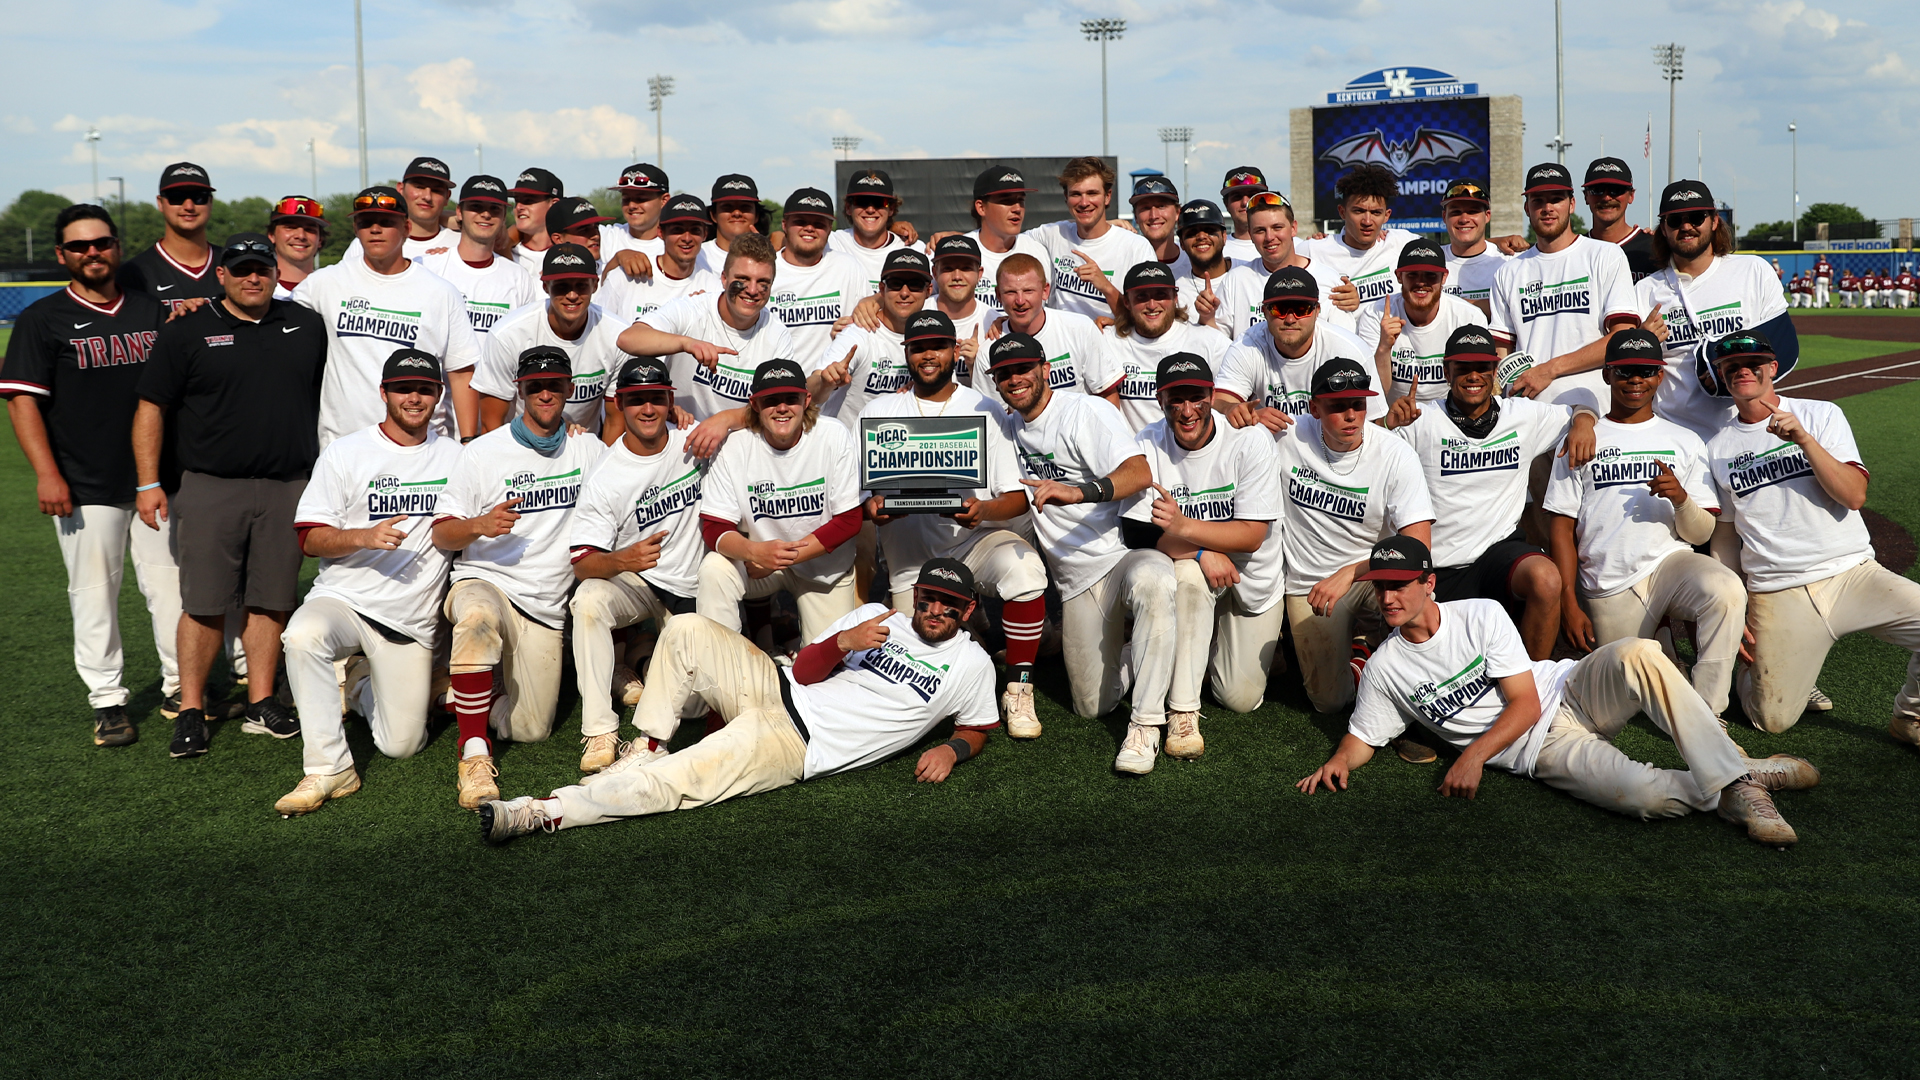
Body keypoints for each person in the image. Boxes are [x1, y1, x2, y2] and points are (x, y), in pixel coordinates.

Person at [1295, 536, 1815, 848]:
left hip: (1567, 690)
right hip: (1539, 750)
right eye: (1381, 586)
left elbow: (1525, 702)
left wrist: (1472, 756)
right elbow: (1364, 735)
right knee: (1646, 799)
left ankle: (1738, 779)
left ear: (1428, 584)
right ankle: (1737, 784)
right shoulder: (1385, 667)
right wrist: (1338, 761)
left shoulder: (1479, 614)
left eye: (1400, 584)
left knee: (1640, 653)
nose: (1388, 597)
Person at [478, 559, 1001, 843]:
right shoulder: (877, 618)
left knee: (679, 781)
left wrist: (952, 749)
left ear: (967, 609)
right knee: (685, 627)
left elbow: (978, 727)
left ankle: (544, 811)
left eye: (949, 604)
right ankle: (650, 744)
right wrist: (844, 642)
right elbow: (805, 669)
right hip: (776, 684)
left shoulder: (971, 663)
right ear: (916, 595)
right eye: (928, 598)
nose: (935, 610)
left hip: (795, 742)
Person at [133, 233, 328, 757]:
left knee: (271, 599)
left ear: (275, 273)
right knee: (204, 603)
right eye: (240, 269)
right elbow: (151, 406)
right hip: (211, 485)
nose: (252, 277)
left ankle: (261, 701)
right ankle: (191, 708)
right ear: (221, 275)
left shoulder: (305, 324)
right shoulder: (187, 329)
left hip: (288, 484)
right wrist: (148, 482)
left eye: (261, 268)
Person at [0, 204, 181, 747]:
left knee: (171, 589)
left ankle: (182, 688)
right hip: (84, 483)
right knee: (95, 594)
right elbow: (22, 403)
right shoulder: (43, 318)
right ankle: (107, 700)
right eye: (79, 246)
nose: (92, 253)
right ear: (62, 255)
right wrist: (46, 474)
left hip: (156, 479)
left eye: (100, 242)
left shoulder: (151, 310)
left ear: (117, 246)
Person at [1696, 331, 1920, 743]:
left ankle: (1909, 717)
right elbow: (1725, 535)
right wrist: (1737, 604)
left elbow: (1853, 495)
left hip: (1853, 574)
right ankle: (1758, 672)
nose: (1742, 371)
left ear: (1772, 368)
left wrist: (1804, 439)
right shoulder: (1717, 447)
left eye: (1753, 363)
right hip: (1777, 589)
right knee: (1772, 720)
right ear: (1722, 376)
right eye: (1731, 366)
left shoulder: (1819, 415)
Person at [276, 349, 462, 815]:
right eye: (403, 389)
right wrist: (363, 536)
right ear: (384, 393)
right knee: (303, 635)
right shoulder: (346, 452)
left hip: (408, 620)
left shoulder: (457, 456)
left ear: (439, 395)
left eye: (424, 389)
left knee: (402, 745)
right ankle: (329, 768)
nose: (414, 398)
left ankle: (358, 683)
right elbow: (309, 538)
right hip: (345, 599)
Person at [987, 333, 1172, 773]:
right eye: (1005, 373)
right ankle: (1139, 652)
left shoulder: (1084, 410)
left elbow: (1139, 472)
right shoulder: (1007, 428)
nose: (1015, 379)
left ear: (1045, 369)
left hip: (1121, 555)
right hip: (1076, 582)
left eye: (1024, 368)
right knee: (1091, 706)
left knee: (1155, 581)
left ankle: (1146, 725)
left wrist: (1078, 492)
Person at [858, 311, 1048, 735]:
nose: (928, 355)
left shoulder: (985, 408)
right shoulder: (879, 411)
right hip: (912, 564)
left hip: (973, 543)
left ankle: (1019, 688)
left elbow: (1018, 496)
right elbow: (855, 498)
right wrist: (872, 509)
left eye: (938, 346)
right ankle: (973, 628)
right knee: (912, 675)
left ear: (954, 351)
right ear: (905, 352)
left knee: (1025, 570)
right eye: (918, 347)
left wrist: (983, 510)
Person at [432, 346, 604, 809]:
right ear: (519, 390)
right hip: (486, 580)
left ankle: (455, 692)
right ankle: (473, 753)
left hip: (544, 605)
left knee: (531, 729)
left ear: (570, 389)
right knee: (476, 620)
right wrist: (479, 525)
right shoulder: (482, 452)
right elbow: (442, 533)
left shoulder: (587, 447)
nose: (545, 393)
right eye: (535, 386)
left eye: (554, 385)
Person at [1544, 329, 1745, 718]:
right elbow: (1561, 528)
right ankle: (1662, 643)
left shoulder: (1685, 440)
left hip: (1669, 564)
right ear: (1607, 374)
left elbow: (1701, 533)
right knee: (1618, 707)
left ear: (1660, 375)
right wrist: (1569, 602)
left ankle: (1707, 711)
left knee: (1726, 590)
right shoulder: (1581, 440)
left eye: (1645, 371)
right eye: (1624, 371)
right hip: (1609, 582)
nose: (1635, 380)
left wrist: (1681, 499)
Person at [1382, 324, 1594, 664]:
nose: (1473, 376)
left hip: (1500, 553)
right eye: (1463, 368)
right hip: (1441, 565)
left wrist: (1583, 421)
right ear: (1446, 371)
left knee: (1546, 579)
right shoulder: (1421, 420)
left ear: (1495, 372)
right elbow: (1363, 449)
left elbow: (1582, 404)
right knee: (1445, 667)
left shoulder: (1521, 415)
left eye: (1482, 367)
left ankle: (1534, 678)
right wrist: (1386, 424)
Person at [1120, 354, 1285, 734]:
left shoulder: (1249, 439)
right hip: (1195, 565)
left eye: (1196, 397)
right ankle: (1183, 711)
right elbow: (1136, 531)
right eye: (1175, 399)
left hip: (1252, 577)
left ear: (1212, 396)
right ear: (1160, 400)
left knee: (1237, 698)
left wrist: (1184, 526)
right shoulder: (1147, 442)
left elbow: (1252, 536)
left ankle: (1224, 648)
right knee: (1190, 576)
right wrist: (1199, 551)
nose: (1187, 410)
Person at [568, 357, 710, 773]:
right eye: (636, 400)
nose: (647, 409)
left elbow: (748, 421)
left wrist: (720, 421)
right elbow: (582, 563)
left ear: (670, 401)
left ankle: (646, 658)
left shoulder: (693, 439)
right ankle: (599, 729)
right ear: (619, 404)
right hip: (641, 582)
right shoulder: (606, 474)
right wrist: (622, 559)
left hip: (696, 583)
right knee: (588, 600)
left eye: (656, 399)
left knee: (697, 708)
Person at [1276, 358, 1434, 715]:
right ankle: (1362, 652)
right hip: (1310, 581)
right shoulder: (1286, 436)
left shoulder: (1395, 454)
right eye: (1337, 406)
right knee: (1330, 702)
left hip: (1375, 573)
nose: (1351, 415)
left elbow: (1419, 548)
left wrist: (1350, 572)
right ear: (1314, 408)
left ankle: (1388, 651)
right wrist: (1242, 415)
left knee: (1420, 598)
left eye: (1358, 404)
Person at [295, 187, 482, 448]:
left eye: (386, 222)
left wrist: (468, 440)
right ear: (355, 229)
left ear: (406, 228)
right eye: (365, 223)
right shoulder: (323, 284)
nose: (375, 229)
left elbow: (461, 373)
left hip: (421, 446)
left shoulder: (440, 292)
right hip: (344, 446)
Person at [695, 360, 863, 647]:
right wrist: (754, 552)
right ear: (755, 404)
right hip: (758, 561)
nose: (782, 407)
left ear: (806, 400)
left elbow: (849, 521)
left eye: (790, 399)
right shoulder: (735, 445)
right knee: (715, 569)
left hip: (824, 569)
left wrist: (782, 557)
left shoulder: (832, 435)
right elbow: (714, 527)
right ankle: (723, 663)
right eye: (771, 400)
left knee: (829, 662)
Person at [1636, 180, 1798, 444]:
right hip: (1678, 438)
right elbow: (1634, 372)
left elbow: (1783, 346)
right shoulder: (1645, 291)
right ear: (1663, 229)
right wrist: (1644, 343)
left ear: (1714, 221)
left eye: (1696, 217)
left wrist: (1720, 367)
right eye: (1675, 220)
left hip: (1750, 433)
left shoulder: (1752, 271)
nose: (1686, 226)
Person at [1489, 163, 1641, 407]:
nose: (1547, 208)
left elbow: (1622, 337)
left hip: (1593, 407)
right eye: (1538, 201)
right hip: (1529, 411)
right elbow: (1502, 354)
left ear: (1572, 204)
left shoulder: (1605, 255)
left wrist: (1550, 370)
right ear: (1527, 208)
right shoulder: (1508, 272)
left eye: (1556, 199)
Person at [617, 231, 794, 423]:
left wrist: (726, 419)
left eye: (762, 282)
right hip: (682, 431)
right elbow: (627, 339)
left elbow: (780, 405)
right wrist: (687, 344)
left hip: (740, 436)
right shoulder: (693, 309)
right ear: (724, 279)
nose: (752, 290)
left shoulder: (777, 334)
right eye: (742, 279)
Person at [473, 244, 621, 435]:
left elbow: (615, 420)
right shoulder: (508, 335)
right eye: (562, 287)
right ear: (545, 286)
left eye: (581, 286)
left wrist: (595, 453)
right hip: (519, 442)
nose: (572, 295)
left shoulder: (617, 335)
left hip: (584, 444)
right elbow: (491, 423)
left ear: (595, 285)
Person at [1213, 266, 1381, 432]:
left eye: (1302, 309)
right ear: (1264, 312)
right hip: (1271, 442)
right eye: (1279, 309)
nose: (1290, 319)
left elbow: (1373, 422)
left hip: (1330, 443)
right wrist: (1237, 411)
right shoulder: (1247, 345)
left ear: (1317, 311)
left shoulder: (1349, 350)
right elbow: (1220, 401)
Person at [1092, 262, 1231, 432]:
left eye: (1161, 295)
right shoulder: (1106, 340)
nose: (1152, 305)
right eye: (1142, 297)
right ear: (1126, 302)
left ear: (1175, 298)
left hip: (1188, 446)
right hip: (1130, 447)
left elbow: (1236, 392)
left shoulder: (1209, 341)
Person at [1356, 238, 1489, 405]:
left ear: (1444, 277)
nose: (1421, 282)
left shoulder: (1469, 317)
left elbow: (1475, 387)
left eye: (1430, 275)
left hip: (1450, 413)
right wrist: (1384, 348)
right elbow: (1374, 397)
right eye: (1412, 275)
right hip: (1395, 415)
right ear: (1399, 276)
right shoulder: (1376, 314)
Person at [413, 174, 538, 339]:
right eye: (476, 207)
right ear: (459, 212)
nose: (486, 214)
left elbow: (524, 339)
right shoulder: (427, 267)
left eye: (494, 208)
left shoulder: (519, 277)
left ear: (503, 217)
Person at [813, 249, 931, 424]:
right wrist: (825, 383)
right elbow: (811, 389)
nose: (905, 292)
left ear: (929, 291)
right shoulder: (858, 334)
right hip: (851, 439)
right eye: (896, 284)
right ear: (882, 289)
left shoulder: (933, 336)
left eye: (915, 284)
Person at [1031, 156, 1156, 320]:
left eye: (1092, 193)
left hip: (1112, 335)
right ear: (1066, 197)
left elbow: (1148, 317)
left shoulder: (1136, 247)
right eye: (1076, 194)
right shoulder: (1053, 233)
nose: (1084, 202)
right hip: (1062, 336)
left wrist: (1105, 286)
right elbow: (1006, 240)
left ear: (1107, 196)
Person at [1298, 164, 1421, 332]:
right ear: (1342, 212)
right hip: (1343, 346)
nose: (1367, 221)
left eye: (1376, 213)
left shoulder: (1402, 243)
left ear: (1386, 215)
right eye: (1358, 211)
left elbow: (1449, 257)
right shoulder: (1312, 250)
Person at [976, 253, 1104, 396]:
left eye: (1028, 291)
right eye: (1011, 292)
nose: (1020, 301)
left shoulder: (1080, 328)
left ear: (1045, 291)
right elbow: (994, 409)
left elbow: (1107, 394)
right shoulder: (988, 353)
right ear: (998, 295)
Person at [768, 188, 867, 369]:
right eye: (800, 221)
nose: (809, 228)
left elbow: (871, 323)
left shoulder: (848, 267)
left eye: (819, 224)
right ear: (784, 225)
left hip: (832, 384)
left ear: (830, 229)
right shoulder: (765, 270)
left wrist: (852, 331)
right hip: (778, 383)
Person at [598, 193, 723, 326]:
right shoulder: (626, 277)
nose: (687, 238)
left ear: (705, 234)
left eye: (695, 230)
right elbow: (598, 327)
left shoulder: (713, 289)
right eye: (677, 230)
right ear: (661, 232)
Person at [1215, 191, 1318, 343]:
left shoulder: (1327, 279)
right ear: (1250, 234)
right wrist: (1207, 318)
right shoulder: (1235, 280)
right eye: (1260, 230)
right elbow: (1217, 342)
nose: (1269, 237)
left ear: (1293, 228)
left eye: (1277, 227)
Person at [120, 162, 223, 313]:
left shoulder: (234, 265)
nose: (189, 206)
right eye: (177, 197)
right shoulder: (134, 273)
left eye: (199, 197)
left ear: (210, 202)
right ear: (160, 203)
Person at [964, 165, 1049, 319]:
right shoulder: (958, 251)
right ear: (981, 207)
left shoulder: (1037, 250)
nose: (1017, 208)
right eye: (1006, 201)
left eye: (1021, 200)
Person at [342, 156, 459, 264]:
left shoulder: (459, 243)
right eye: (419, 187)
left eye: (436, 191)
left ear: (447, 197)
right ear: (400, 189)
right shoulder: (369, 242)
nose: (427, 197)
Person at [828, 168, 910, 292]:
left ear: (891, 208)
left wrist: (943, 238)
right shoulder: (831, 244)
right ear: (848, 207)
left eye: (879, 202)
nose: (870, 210)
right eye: (862, 201)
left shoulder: (913, 250)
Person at [1581, 157, 1654, 282]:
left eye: (1616, 190)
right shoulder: (1574, 251)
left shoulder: (1654, 249)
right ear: (1586, 196)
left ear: (1631, 196)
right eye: (1597, 190)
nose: (1606, 198)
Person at [1439, 180, 1506, 316]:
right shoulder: (1431, 261)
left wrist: (1446, 305)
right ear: (1444, 217)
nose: (1464, 219)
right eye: (1456, 212)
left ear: (1487, 216)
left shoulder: (1507, 261)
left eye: (1472, 212)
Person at [1170, 200, 1234, 333]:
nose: (1201, 237)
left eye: (1210, 230)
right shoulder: (1176, 294)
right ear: (1181, 243)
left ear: (1224, 236)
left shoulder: (1247, 273)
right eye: (1192, 233)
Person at [599, 162, 670, 264]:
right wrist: (617, 259)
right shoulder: (606, 238)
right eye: (626, 199)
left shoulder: (678, 243)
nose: (632, 205)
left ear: (664, 200)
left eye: (641, 199)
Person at [508, 167, 566, 276]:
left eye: (528, 201)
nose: (519, 207)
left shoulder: (572, 255)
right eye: (517, 200)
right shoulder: (500, 254)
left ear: (554, 205)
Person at [267, 196, 327, 299]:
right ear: (272, 235)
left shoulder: (333, 288)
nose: (301, 236)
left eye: (309, 229)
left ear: (320, 240)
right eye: (290, 227)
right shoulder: (256, 288)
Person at [705, 173, 766, 267]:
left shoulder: (771, 259)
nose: (737, 213)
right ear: (713, 215)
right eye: (727, 207)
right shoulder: (698, 256)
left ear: (756, 215)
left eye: (745, 207)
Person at [1218, 166, 1271, 263]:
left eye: (1252, 195)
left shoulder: (1293, 246)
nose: (1245, 202)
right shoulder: (1216, 251)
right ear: (1226, 204)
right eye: (1237, 196)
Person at [1129, 175, 1183, 267]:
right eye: (1146, 208)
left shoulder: (1193, 261)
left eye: (1161, 206)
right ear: (1136, 216)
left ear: (1177, 213)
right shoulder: (1123, 261)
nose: (1154, 216)